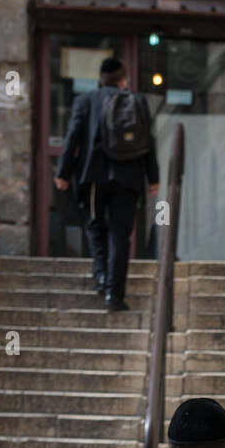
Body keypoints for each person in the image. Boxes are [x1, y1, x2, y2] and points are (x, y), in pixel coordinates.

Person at [54, 56, 159, 312]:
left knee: (95, 225)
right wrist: (152, 177)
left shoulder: (86, 101)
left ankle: (100, 275)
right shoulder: (139, 102)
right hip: (129, 178)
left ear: (100, 80)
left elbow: (73, 138)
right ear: (123, 79)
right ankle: (115, 295)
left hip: (94, 176)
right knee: (120, 235)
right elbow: (148, 142)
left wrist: (63, 173)